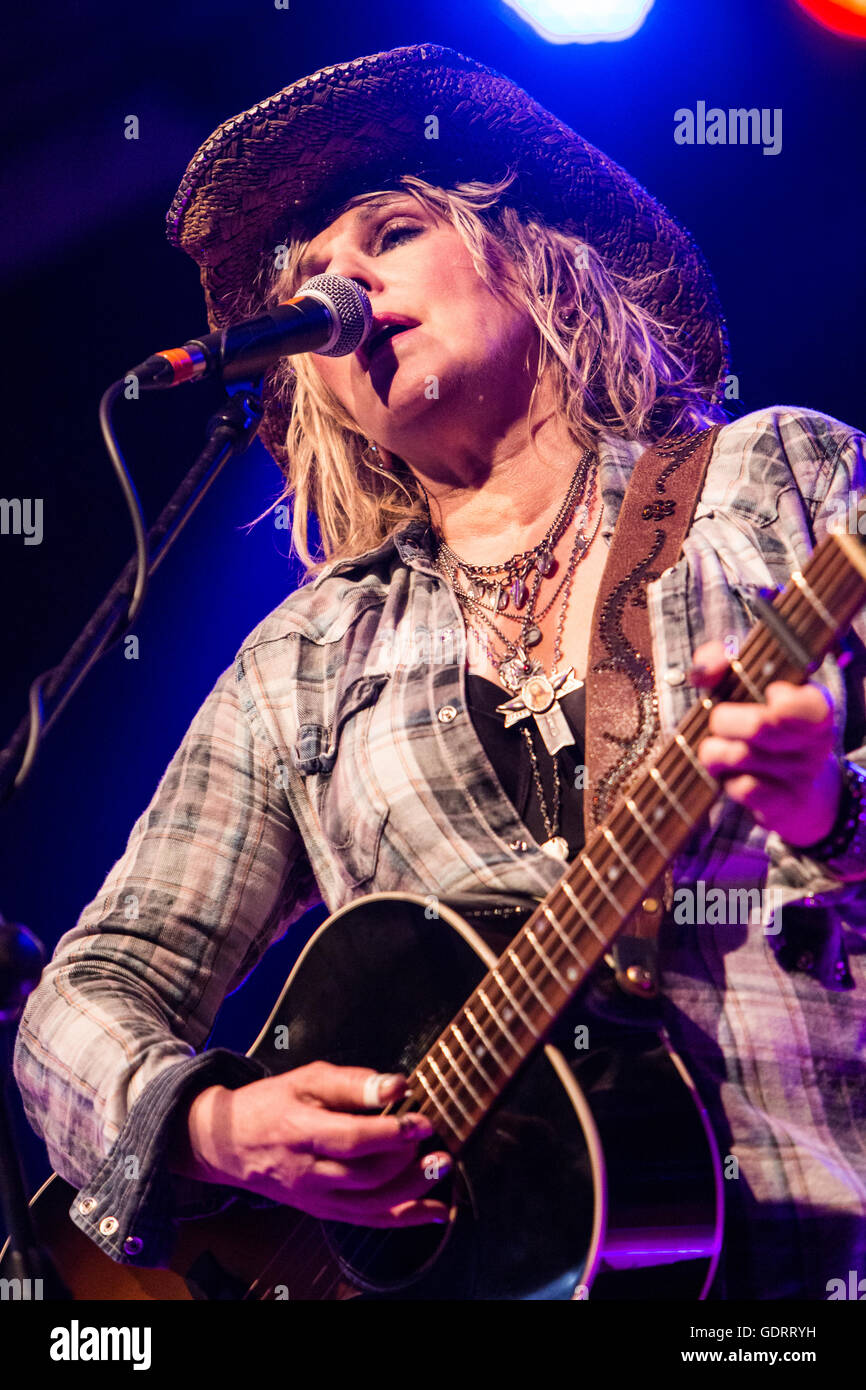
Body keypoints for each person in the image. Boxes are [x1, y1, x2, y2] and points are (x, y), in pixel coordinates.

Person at [13, 43, 866, 1300]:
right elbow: (82, 996)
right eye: (307, 283)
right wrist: (213, 1127)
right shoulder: (304, 662)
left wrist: (828, 807)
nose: (339, 283)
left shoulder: (773, 483)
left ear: (527, 252)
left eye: (391, 232)